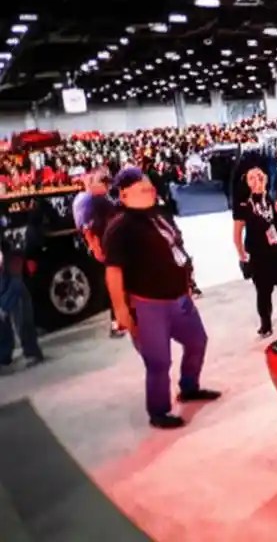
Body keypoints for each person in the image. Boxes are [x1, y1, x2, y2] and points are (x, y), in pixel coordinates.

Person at [102, 167, 219, 429]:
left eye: (150, 187)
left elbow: (176, 247)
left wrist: (187, 283)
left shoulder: (159, 214)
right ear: (124, 194)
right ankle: (158, 411)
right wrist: (120, 310)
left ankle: (189, 386)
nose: (150, 191)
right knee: (158, 361)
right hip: (148, 304)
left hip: (179, 298)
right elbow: (113, 272)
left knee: (197, 341)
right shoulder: (121, 226)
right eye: (143, 189)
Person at [232, 166, 277, 337]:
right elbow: (237, 234)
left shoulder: (271, 198)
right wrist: (242, 256)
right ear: (247, 183)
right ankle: (266, 325)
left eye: (260, 176)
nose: (257, 180)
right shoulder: (243, 204)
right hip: (258, 256)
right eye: (252, 178)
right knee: (263, 293)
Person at [72, 167, 123, 337]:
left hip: (101, 249)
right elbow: (91, 228)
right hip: (106, 249)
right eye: (105, 182)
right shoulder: (97, 200)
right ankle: (117, 323)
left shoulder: (84, 200)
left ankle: (118, 322)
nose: (108, 186)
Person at [0, 245, 43, 371]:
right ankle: (3, 356)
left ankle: (31, 352)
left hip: (15, 290)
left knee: (21, 318)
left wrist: (4, 306)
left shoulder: (12, 258)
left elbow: (15, 284)